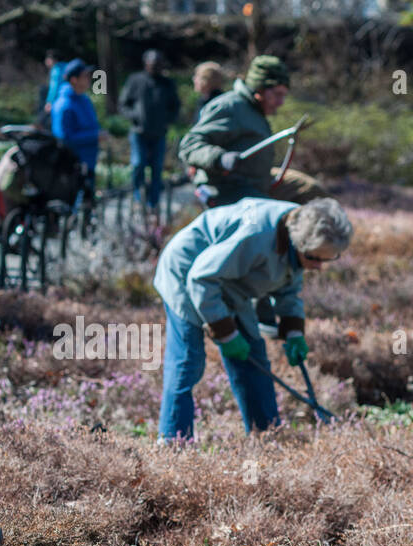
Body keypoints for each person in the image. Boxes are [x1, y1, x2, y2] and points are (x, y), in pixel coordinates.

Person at [152, 196, 352, 441]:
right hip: (187, 273)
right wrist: (226, 333)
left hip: (229, 284)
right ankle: (173, 443)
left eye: (328, 259)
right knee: (188, 361)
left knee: (253, 355)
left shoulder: (302, 231)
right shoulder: (256, 235)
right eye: (315, 258)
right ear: (299, 244)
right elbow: (200, 279)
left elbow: (288, 286)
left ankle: (266, 437)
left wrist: (294, 333)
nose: (319, 267)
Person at [178, 54, 321, 208]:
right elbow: (189, 145)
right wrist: (220, 158)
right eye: (277, 94)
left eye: (284, 95)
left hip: (258, 182)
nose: (281, 102)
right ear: (259, 88)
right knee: (283, 214)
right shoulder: (231, 107)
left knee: (310, 190)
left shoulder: (255, 110)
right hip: (230, 190)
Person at [119, 49, 180, 215]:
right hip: (139, 132)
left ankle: (153, 202)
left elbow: (175, 107)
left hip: (159, 133)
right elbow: (124, 104)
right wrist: (135, 117)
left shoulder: (167, 83)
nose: (155, 68)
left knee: (157, 168)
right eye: (152, 65)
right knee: (138, 163)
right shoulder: (135, 80)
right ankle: (137, 197)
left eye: (158, 65)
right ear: (145, 64)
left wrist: (167, 120)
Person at [50, 58, 102, 200]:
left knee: (88, 204)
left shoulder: (84, 99)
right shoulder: (64, 104)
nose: (89, 79)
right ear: (74, 79)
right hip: (73, 165)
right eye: (85, 76)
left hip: (88, 161)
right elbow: (64, 139)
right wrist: (95, 136)